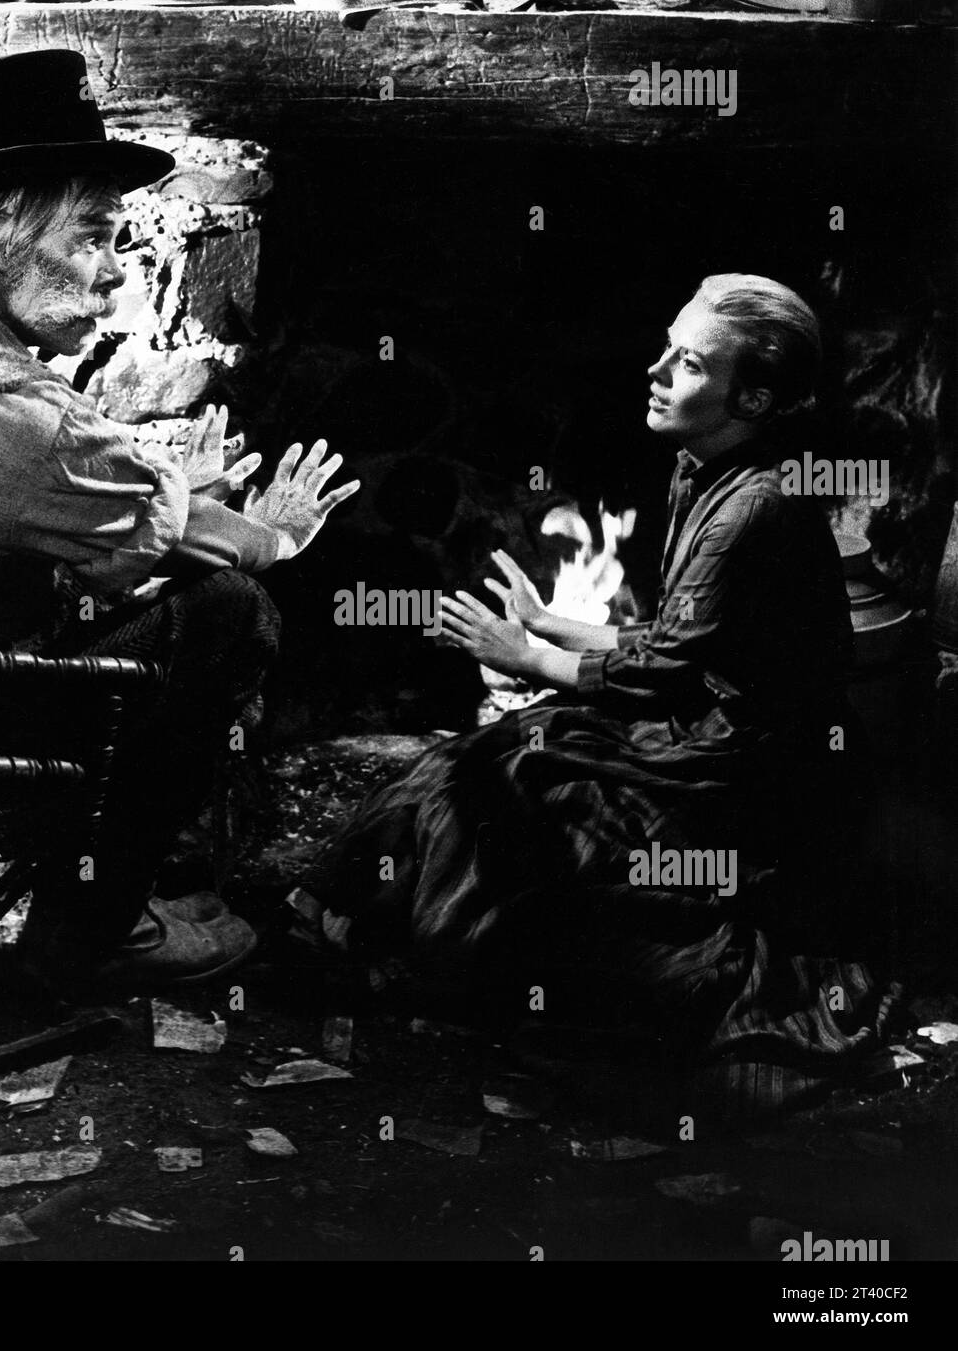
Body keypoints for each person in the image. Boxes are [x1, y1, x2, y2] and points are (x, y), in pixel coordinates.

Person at [0, 50, 359, 994]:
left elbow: (40, 521)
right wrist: (271, 529)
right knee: (230, 611)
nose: (117, 273)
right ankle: (92, 931)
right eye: (95, 237)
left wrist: (153, 494)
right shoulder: (16, 419)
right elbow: (220, 547)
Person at [314, 274, 896, 1117]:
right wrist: (550, 623)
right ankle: (371, 933)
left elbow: (670, 672)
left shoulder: (756, 506)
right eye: (665, 346)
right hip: (701, 717)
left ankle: (487, 975)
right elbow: (679, 636)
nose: (656, 371)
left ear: (755, 397)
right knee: (496, 752)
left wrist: (526, 656)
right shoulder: (702, 467)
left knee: (540, 786)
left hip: (748, 759)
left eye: (689, 363)